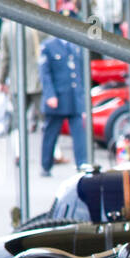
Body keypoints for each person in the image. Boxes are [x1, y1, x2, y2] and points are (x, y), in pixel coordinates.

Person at [38, 32, 87, 177]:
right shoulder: (48, 46)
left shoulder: (75, 45)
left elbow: (79, 73)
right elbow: (44, 73)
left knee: (79, 133)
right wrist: (50, 95)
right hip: (57, 98)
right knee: (51, 132)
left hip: (73, 97)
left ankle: (81, 164)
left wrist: (82, 96)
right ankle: (46, 164)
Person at [0, 14, 42, 133]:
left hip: (17, 80)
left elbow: (4, 58)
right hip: (37, 79)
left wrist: (1, 80)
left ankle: (17, 148)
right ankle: (55, 150)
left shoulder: (7, 28)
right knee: (45, 117)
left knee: (17, 118)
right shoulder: (37, 26)